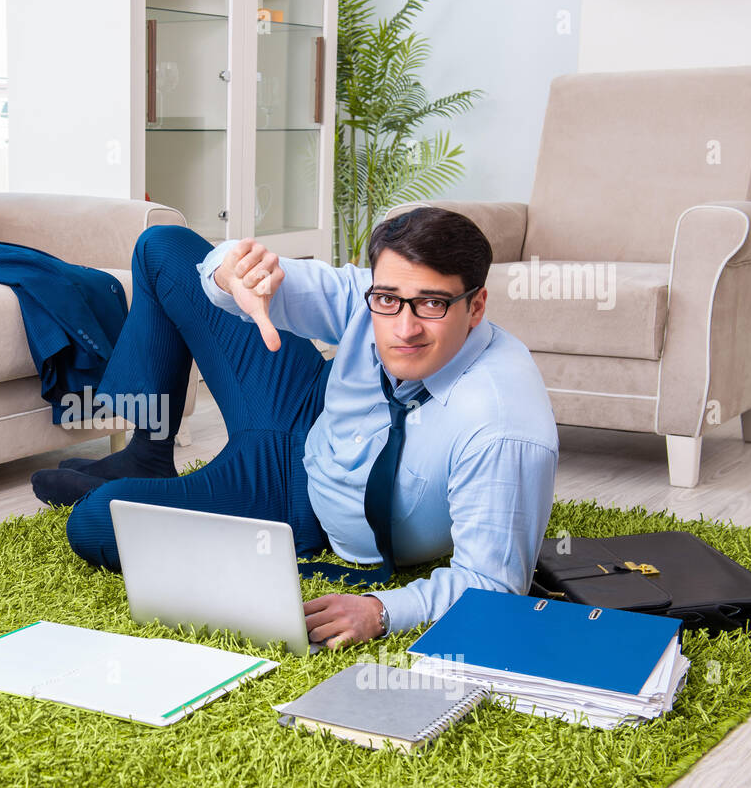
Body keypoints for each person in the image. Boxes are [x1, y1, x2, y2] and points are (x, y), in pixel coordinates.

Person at [30, 207, 558, 648]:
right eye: (388, 300)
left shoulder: (502, 425)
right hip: (300, 401)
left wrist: (380, 610)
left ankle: (149, 483)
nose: (404, 328)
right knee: (162, 247)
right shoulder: (370, 297)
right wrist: (232, 273)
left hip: (292, 499)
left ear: (477, 305)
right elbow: (246, 273)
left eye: (433, 304)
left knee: (98, 521)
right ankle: (148, 449)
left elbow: (493, 584)